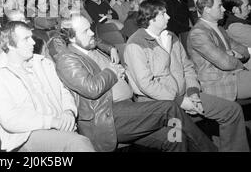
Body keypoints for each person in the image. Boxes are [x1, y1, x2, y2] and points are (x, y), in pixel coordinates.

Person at [52, 15, 217, 152]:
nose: (92, 33)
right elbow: (91, 88)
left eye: (90, 28)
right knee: (169, 107)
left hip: (128, 111)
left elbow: (100, 42)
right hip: (109, 117)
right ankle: (209, 150)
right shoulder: (67, 59)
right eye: (85, 31)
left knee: (174, 137)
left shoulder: (91, 47)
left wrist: (111, 50)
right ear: (72, 37)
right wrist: (112, 72)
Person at [125, 0, 249, 152]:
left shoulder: (171, 36)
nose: (169, 17)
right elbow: (147, 85)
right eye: (164, 14)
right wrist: (180, 101)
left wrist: (193, 92)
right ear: (152, 19)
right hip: (161, 105)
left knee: (231, 111)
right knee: (177, 139)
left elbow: (187, 67)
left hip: (187, 95)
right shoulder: (135, 44)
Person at [0, 21, 95, 152]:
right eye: (26, 39)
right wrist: (53, 122)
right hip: (26, 136)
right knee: (78, 143)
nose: (33, 42)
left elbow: (63, 92)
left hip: (60, 127)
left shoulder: (44, 63)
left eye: (31, 37)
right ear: (10, 45)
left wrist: (68, 111)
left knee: (86, 138)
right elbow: (10, 119)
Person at [187, 0, 251, 101]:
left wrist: (234, 54)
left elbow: (243, 50)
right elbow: (225, 63)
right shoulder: (198, 33)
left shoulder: (218, 27)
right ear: (207, 10)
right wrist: (238, 59)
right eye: (219, 6)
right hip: (222, 83)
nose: (224, 9)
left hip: (234, 75)